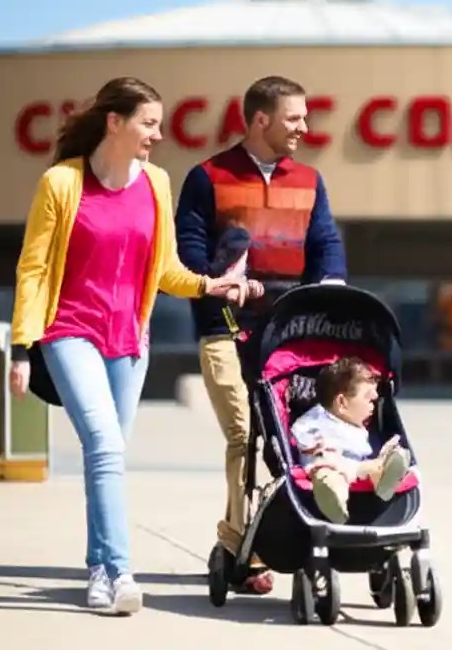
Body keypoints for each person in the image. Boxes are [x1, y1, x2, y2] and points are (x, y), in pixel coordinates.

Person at [8, 76, 256, 616]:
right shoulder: (61, 184)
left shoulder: (157, 184)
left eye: (159, 124)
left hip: (128, 340)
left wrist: (209, 285)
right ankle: (116, 573)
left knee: (110, 457)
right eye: (148, 123)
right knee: (104, 445)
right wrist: (21, 344)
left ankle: (97, 563)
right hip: (69, 330)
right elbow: (33, 267)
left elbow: (163, 267)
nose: (157, 134)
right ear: (113, 123)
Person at [174, 74, 347, 592]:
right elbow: (189, 251)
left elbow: (325, 244)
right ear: (260, 120)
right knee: (244, 435)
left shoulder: (309, 181)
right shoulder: (207, 177)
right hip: (224, 329)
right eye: (294, 118)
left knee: (292, 440)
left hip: (290, 335)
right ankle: (238, 545)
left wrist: (332, 288)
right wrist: (222, 284)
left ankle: (295, 533)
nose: (304, 127)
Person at [292, 356, 413, 524]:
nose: (374, 404)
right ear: (342, 402)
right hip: (329, 464)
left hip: (358, 468)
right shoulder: (318, 420)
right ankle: (333, 503)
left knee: (383, 459)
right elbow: (305, 439)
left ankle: (385, 477)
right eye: (369, 399)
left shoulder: (357, 427)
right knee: (328, 476)